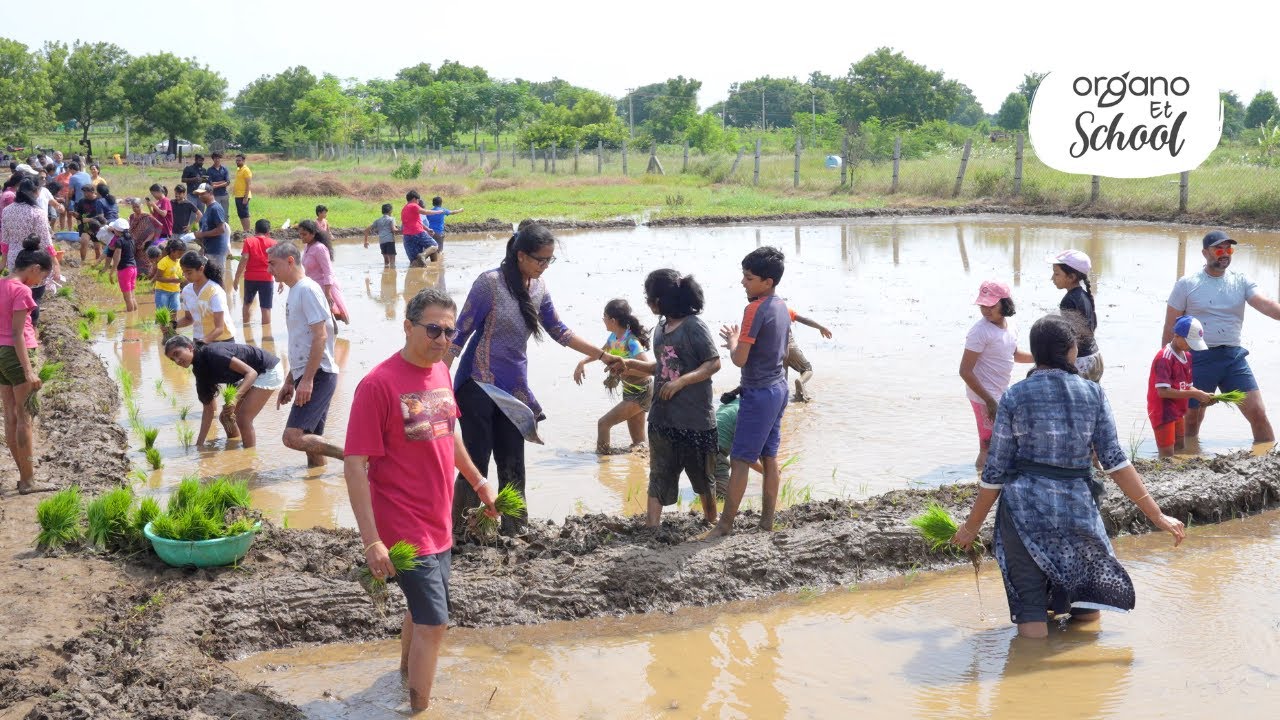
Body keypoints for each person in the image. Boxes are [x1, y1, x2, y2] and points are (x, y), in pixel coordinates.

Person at [952, 314, 1186, 638]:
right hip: (1077, 511)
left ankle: (1032, 672)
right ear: (1071, 350)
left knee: (1031, 613)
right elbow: (1115, 461)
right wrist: (1157, 515)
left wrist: (970, 527)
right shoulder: (1093, 393)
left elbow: (995, 472)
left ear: (1036, 354)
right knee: (1086, 610)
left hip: (1023, 513)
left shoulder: (1014, 396)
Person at [344, 288, 498, 713]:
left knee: (420, 611)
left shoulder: (442, 373)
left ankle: (404, 679)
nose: (441, 338)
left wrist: (479, 481)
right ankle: (420, 709)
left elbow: (449, 436)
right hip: (402, 524)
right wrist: (371, 541)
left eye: (449, 331)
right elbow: (355, 466)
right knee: (435, 622)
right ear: (408, 326)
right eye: (433, 328)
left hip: (439, 518)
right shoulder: (377, 384)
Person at [447, 222, 620, 530]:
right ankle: (464, 530)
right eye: (540, 259)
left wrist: (603, 355)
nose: (544, 266)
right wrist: (439, 384)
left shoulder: (539, 289)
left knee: (513, 460)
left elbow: (561, 332)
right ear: (521, 256)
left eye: (549, 260)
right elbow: (459, 335)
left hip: (513, 389)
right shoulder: (490, 284)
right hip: (477, 383)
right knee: (476, 458)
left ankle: (515, 528)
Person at [616, 269, 720, 527]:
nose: (647, 301)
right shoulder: (660, 329)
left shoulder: (695, 327)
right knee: (659, 472)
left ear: (659, 300)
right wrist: (628, 364)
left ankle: (711, 521)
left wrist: (682, 381)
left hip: (696, 418)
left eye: (648, 296)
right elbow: (662, 367)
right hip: (662, 417)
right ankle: (652, 527)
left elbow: (713, 363)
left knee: (703, 478)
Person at [1165, 230, 1280, 448]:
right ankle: (1190, 459)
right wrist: (1166, 361)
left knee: (1257, 411)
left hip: (1232, 358)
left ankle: (1268, 457)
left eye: (1229, 249)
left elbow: (1266, 305)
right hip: (1196, 358)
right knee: (1192, 418)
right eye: (1219, 249)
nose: (1225, 253)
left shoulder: (1241, 281)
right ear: (1205, 253)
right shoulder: (1187, 284)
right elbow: (1170, 325)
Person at [708, 246, 793, 537]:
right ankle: (766, 522)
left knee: (740, 459)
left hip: (758, 392)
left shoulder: (754, 308)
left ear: (767, 282)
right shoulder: (781, 306)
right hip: (779, 388)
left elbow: (740, 359)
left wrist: (732, 341)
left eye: (748, 278)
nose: (743, 282)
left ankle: (725, 525)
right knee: (769, 457)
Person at [267, 242, 345, 467]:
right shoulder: (295, 291)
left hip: (319, 373)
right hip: (309, 373)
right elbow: (303, 342)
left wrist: (308, 380)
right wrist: (292, 380)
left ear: (290, 261)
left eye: (273, 264)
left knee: (292, 437)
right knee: (311, 444)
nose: (269, 270)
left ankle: (354, 457)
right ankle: (317, 490)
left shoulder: (307, 289)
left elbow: (320, 336)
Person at [959, 281, 1033, 471]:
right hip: (984, 395)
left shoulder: (1011, 326)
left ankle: (994, 479)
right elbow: (965, 371)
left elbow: (1014, 355)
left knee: (1004, 440)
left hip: (1000, 394)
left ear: (1005, 303)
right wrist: (989, 401)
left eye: (991, 305)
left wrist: (1041, 357)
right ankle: (980, 481)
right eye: (982, 305)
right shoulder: (979, 332)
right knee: (987, 445)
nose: (986, 310)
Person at [0, 237, 54, 494]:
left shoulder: (1, 284)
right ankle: (29, 480)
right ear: (34, 268)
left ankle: (24, 476)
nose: (39, 282)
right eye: (41, 277)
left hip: (1, 356)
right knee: (24, 419)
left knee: (10, 415)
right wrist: (29, 370)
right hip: (15, 355)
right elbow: (18, 332)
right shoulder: (21, 290)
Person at [163, 334, 282, 448]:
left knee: (243, 419)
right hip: (252, 374)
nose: (177, 360)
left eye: (177, 353)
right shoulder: (199, 370)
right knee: (225, 418)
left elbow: (251, 373)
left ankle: (249, 460)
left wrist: (234, 399)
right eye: (173, 359)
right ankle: (235, 449)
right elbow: (208, 409)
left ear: (189, 347)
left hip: (267, 369)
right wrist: (199, 444)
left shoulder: (214, 353)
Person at [573, 298, 653, 454]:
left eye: (604, 316)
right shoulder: (613, 338)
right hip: (630, 391)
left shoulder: (631, 342)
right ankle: (638, 472)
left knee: (603, 423)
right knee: (639, 444)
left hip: (641, 392)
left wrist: (623, 370)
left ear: (612, 320)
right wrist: (583, 361)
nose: (603, 320)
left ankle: (603, 462)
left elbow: (647, 370)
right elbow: (600, 354)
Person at [1148, 315, 1215, 457]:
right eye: (1189, 342)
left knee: (1180, 446)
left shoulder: (1187, 356)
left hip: (1178, 409)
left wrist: (1202, 393)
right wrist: (1194, 394)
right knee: (1167, 454)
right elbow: (1163, 392)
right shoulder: (1164, 358)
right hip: (1163, 412)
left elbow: (1187, 386)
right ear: (1177, 336)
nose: (1191, 346)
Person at [2, 180, 60, 325]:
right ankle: (30, 330)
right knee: (34, 299)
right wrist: (55, 262)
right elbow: (46, 240)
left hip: (15, 259)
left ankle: (17, 326)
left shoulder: (7, 210)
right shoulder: (37, 212)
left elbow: (4, 239)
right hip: (35, 260)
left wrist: (4, 260)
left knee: (18, 296)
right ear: (34, 193)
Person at [1049, 249, 1103, 381]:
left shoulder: (1068, 300)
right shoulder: (1084, 295)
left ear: (1071, 277)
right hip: (1095, 357)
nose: (1052, 278)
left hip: (1082, 361)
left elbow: (1069, 337)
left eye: (1056, 274)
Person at [713, 388, 765, 498]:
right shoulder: (743, 413)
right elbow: (744, 456)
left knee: (707, 488)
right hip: (715, 453)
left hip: (702, 446)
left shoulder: (732, 404)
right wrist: (768, 472)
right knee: (721, 497)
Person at [175, 251, 236, 344]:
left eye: (189, 272)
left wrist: (203, 342)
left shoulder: (215, 291)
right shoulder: (186, 291)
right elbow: (189, 319)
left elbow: (219, 328)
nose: (186, 276)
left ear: (201, 269)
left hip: (222, 341)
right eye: (184, 272)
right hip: (199, 339)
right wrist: (172, 325)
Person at [296, 219, 349, 324]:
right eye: (300, 234)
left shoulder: (320, 248)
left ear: (313, 234)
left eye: (304, 234)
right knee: (320, 318)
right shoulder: (308, 246)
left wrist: (328, 293)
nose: (302, 237)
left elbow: (328, 271)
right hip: (313, 287)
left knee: (327, 318)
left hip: (323, 287)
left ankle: (331, 338)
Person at [233, 219, 276, 327]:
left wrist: (236, 277)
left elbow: (244, 259)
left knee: (247, 304)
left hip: (250, 278)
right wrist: (281, 281)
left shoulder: (249, 241)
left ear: (255, 230)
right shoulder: (273, 243)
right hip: (267, 278)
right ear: (268, 232)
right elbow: (277, 262)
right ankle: (266, 335)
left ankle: (246, 327)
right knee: (266, 307)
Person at [784, 308, 832, 403]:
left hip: (777, 350)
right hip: (791, 347)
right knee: (807, 369)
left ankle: (784, 402)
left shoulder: (764, 311)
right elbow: (805, 320)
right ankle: (800, 381)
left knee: (783, 379)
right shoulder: (785, 309)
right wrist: (820, 327)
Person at [192, 183, 230, 288]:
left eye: (203, 194)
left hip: (216, 250)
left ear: (210, 193)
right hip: (209, 249)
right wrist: (202, 246)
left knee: (217, 278)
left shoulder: (215, 208)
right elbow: (208, 228)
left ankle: (223, 301)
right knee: (209, 277)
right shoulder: (208, 208)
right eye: (199, 194)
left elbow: (221, 229)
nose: (200, 196)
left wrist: (201, 234)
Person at [99, 218, 138, 312]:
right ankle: (135, 315)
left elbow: (117, 258)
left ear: (116, 230)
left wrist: (112, 272)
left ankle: (130, 319)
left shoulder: (119, 241)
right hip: (134, 268)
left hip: (125, 270)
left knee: (127, 298)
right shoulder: (131, 239)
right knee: (132, 296)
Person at [400, 191, 445, 267]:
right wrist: (438, 212)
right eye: (418, 200)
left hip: (407, 236)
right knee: (434, 246)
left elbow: (417, 221)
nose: (418, 202)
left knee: (415, 262)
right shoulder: (413, 205)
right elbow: (425, 212)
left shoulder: (404, 209)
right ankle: (423, 255)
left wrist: (427, 229)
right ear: (414, 199)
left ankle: (417, 277)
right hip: (417, 232)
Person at [124, 198, 160, 276]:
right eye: (133, 207)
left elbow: (155, 230)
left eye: (137, 206)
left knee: (144, 259)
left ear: (141, 205)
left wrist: (145, 242)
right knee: (133, 258)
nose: (135, 209)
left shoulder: (148, 217)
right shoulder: (132, 216)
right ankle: (136, 274)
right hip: (133, 242)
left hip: (144, 243)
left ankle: (147, 274)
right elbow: (131, 228)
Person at [150, 237, 186, 313]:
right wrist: (174, 280)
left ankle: (173, 325)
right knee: (162, 313)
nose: (180, 255)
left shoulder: (179, 261)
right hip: (162, 291)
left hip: (175, 291)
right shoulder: (164, 262)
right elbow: (158, 277)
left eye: (182, 254)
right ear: (172, 251)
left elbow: (180, 275)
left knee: (174, 312)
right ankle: (162, 325)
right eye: (179, 253)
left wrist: (183, 278)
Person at [364, 203, 399, 268]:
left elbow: (366, 230)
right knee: (392, 262)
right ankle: (392, 275)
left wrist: (365, 241)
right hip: (390, 241)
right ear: (390, 211)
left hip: (382, 242)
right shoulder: (391, 219)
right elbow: (394, 229)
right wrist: (403, 230)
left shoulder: (378, 221)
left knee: (386, 262)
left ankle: (385, 275)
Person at [232, 153, 252, 232]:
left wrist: (246, 197)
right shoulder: (238, 169)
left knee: (245, 214)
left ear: (243, 160)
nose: (237, 162)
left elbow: (248, 184)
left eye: (239, 160)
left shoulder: (246, 170)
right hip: (238, 195)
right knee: (240, 214)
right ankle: (245, 230)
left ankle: (247, 231)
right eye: (236, 160)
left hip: (243, 196)